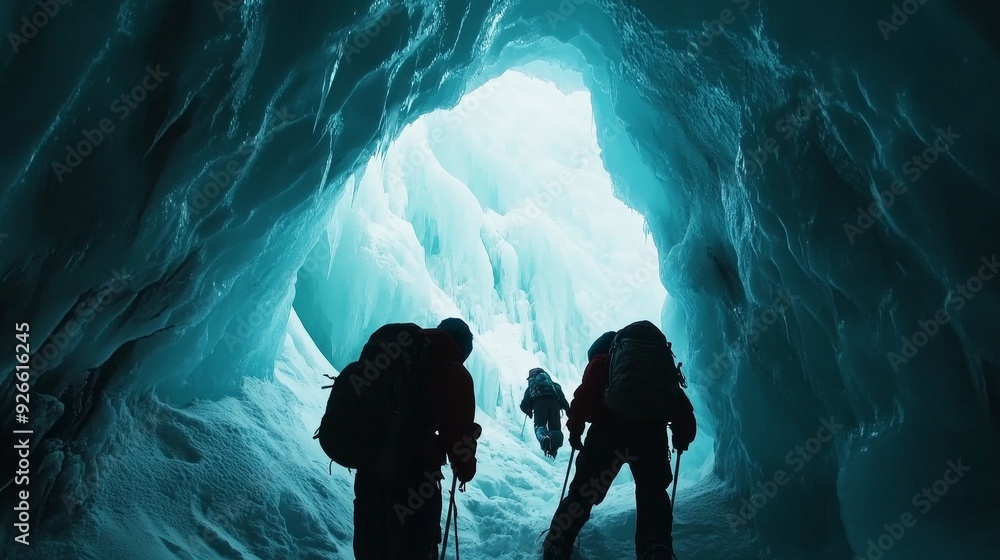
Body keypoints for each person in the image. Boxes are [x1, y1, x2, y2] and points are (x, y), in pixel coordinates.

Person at [542, 329, 697, 560]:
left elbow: (583, 397)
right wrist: (682, 437)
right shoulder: (655, 367)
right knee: (652, 494)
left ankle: (558, 542)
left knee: (584, 492)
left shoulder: (600, 361)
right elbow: (679, 403)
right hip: (650, 437)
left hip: (607, 434)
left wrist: (575, 430)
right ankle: (655, 549)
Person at [353, 318, 481, 560]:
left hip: (370, 468)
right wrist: (465, 469)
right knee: (414, 548)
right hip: (415, 480)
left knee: (372, 546)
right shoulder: (453, 372)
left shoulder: (401, 354)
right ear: (463, 348)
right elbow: (458, 436)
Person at [520, 367, 571, 459]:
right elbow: (562, 399)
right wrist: (568, 411)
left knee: (540, 425)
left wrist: (529, 412)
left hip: (539, 404)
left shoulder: (532, 387)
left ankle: (544, 438)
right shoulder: (554, 385)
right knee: (555, 428)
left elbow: (524, 405)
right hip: (554, 403)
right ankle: (553, 450)